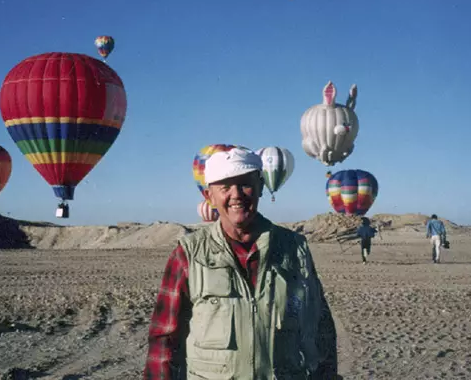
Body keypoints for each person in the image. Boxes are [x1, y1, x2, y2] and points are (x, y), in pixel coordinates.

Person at [144, 148, 339, 379]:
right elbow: (164, 338)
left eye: (245, 184)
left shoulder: (295, 249)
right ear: (209, 196)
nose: (236, 194)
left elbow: (320, 327)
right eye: (225, 187)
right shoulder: (188, 253)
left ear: (260, 187)